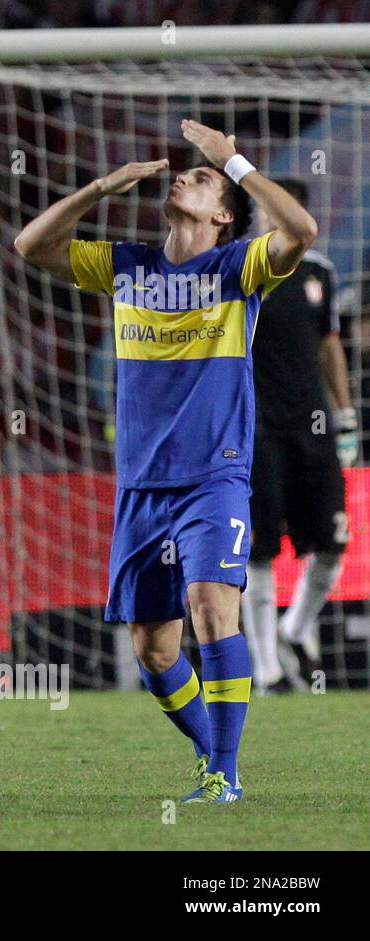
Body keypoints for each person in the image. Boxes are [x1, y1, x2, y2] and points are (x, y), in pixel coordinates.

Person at [14, 120, 318, 804]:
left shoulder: (238, 267)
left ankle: (225, 774)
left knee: (214, 609)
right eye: (187, 173)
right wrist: (99, 187)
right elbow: (31, 245)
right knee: (153, 650)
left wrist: (232, 161)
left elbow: (301, 230)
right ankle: (214, 754)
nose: (184, 175)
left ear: (223, 215)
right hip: (142, 485)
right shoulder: (128, 265)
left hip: (216, 475)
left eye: (200, 179)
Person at [241, 178, 353, 692]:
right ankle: (265, 670)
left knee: (333, 541)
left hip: (315, 423)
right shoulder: (239, 267)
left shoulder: (319, 272)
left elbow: (331, 345)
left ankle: (295, 628)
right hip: (257, 425)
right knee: (259, 549)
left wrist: (346, 414)